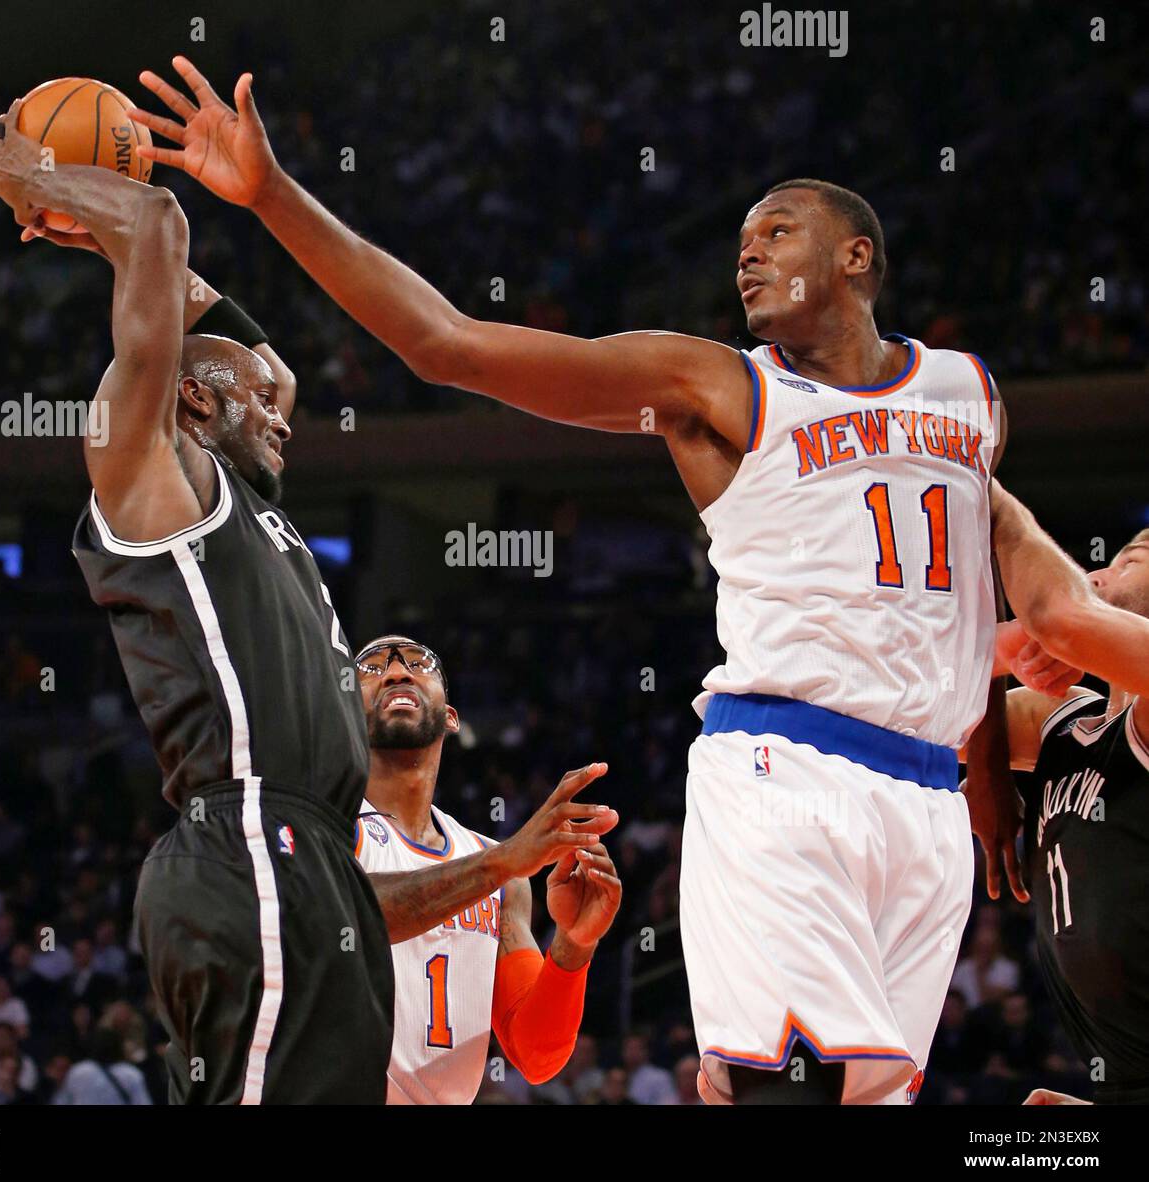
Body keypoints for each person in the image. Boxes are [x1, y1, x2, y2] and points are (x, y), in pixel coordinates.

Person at [129, 57, 1014, 1104]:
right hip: (790, 767)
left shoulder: (971, 393)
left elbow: (976, 594)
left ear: (856, 254)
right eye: (739, 244)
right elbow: (445, 342)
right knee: (793, 1091)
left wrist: (987, 760)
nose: (747, 256)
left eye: (775, 231)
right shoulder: (716, 384)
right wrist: (270, 192)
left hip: (928, 797)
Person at [0, 99, 392, 1104]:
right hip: (250, 839)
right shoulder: (152, 475)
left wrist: (97, 231)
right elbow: (160, 220)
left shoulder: (248, 498)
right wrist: (40, 181)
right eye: (253, 399)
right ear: (198, 402)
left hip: (315, 858)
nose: (284, 410)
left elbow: (271, 368)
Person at [351, 635, 621, 1103]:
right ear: (345, 719)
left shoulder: (499, 871)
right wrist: (501, 863)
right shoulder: (323, 825)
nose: (397, 671)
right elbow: (352, 910)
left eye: (420, 663)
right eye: (373, 668)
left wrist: (574, 946)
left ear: (451, 718)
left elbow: (537, 1057)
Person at [985, 509, 1149, 1104]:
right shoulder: (1066, 719)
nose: (1102, 569)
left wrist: (985, 489)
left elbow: (1059, 618)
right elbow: (921, 711)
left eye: (1133, 558)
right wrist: (986, 774)